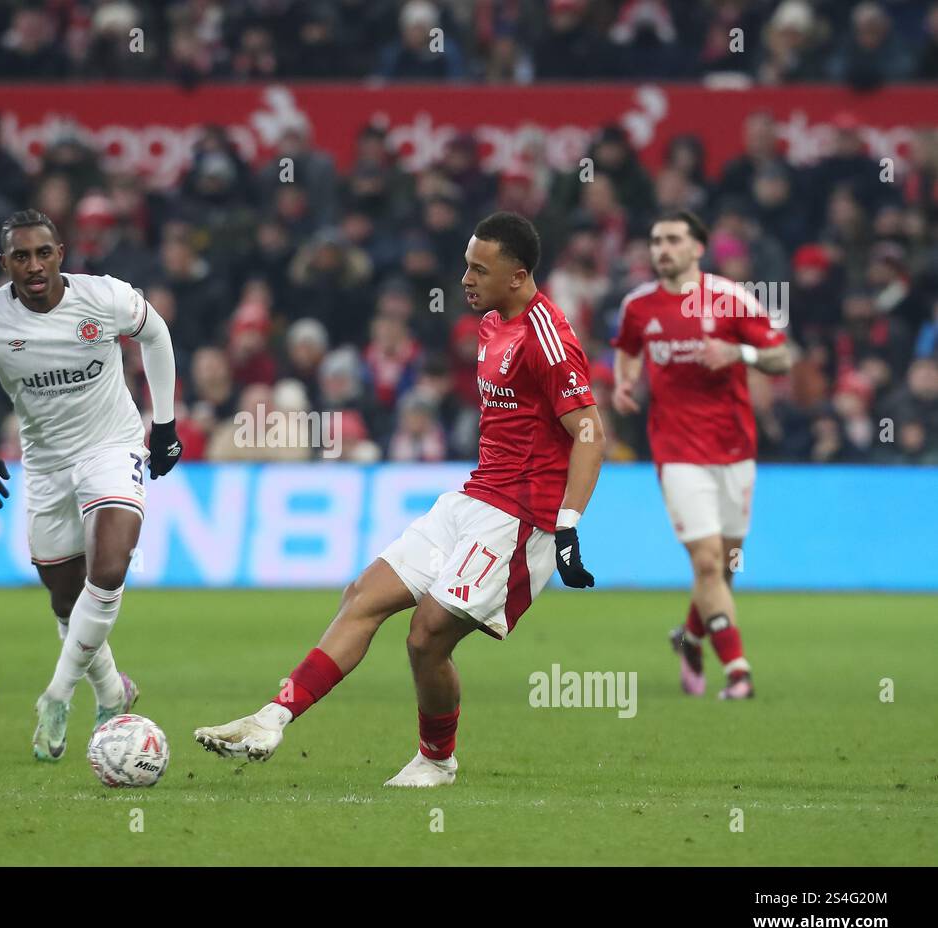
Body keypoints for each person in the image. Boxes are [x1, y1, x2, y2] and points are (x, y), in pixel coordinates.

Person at [194, 212, 605, 787]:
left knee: (426, 636)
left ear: (517, 276)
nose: (465, 278)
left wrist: (567, 526)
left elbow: (589, 431)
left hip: (518, 519)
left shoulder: (548, 337)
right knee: (362, 593)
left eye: (479, 269)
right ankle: (272, 717)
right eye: (465, 265)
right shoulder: (491, 325)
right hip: (473, 497)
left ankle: (436, 760)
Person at [0, 209, 182, 761]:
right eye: (20, 256)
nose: (33, 266)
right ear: (4, 264)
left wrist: (164, 421)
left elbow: (157, 333)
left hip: (111, 447)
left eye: (42, 253)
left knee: (110, 568)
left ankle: (57, 695)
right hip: (46, 464)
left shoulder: (104, 298)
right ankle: (113, 692)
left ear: (60, 254)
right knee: (64, 595)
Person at [611, 210, 791, 700]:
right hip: (676, 450)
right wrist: (626, 381)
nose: (661, 249)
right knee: (708, 564)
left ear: (697, 248)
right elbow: (627, 348)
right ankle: (738, 671)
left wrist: (741, 354)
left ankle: (691, 639)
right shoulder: (638, 306)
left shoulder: (731, 299)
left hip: (735, 450)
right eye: (655, 240)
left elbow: (783, 356)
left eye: (672, 239)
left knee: (726, 566)